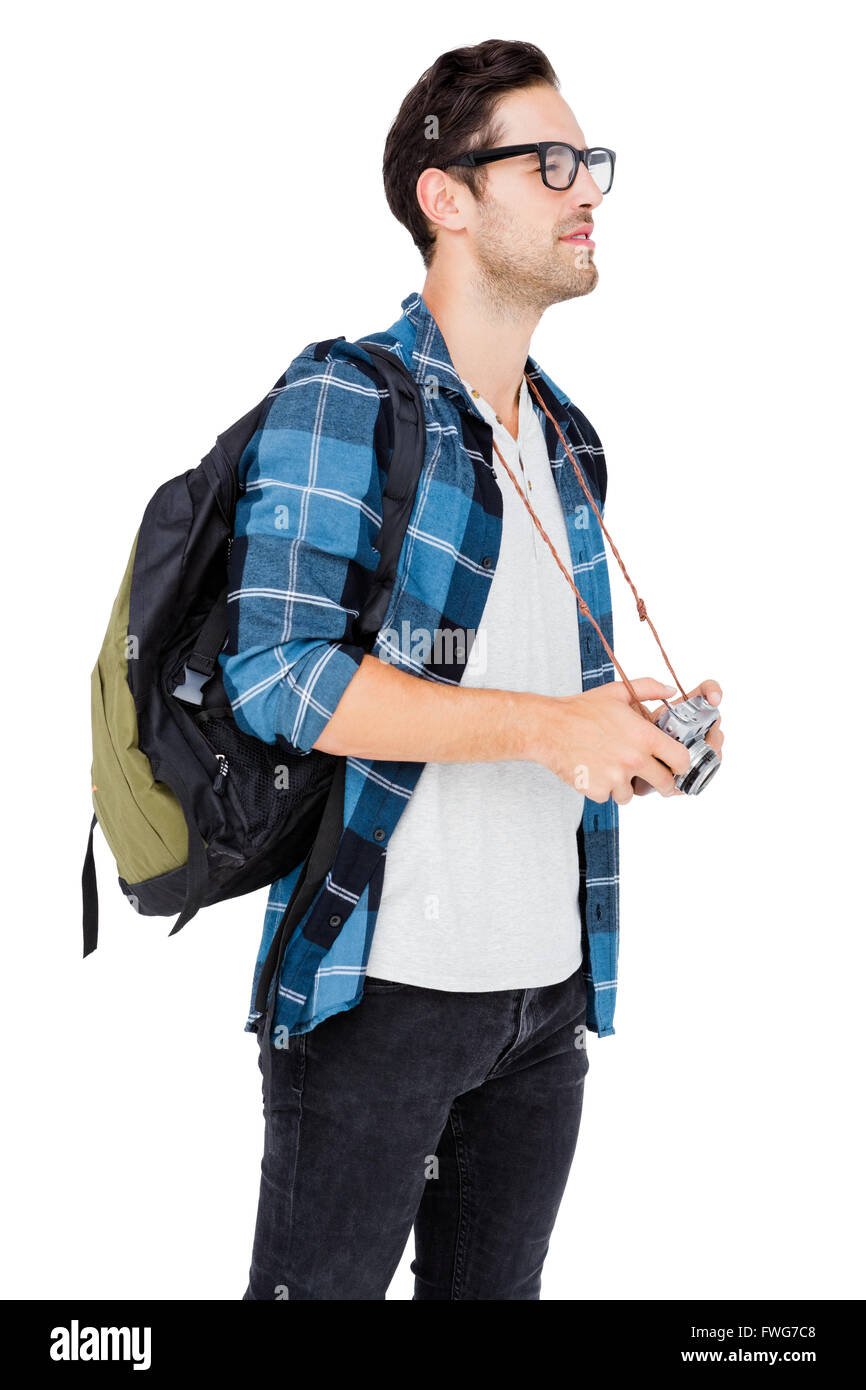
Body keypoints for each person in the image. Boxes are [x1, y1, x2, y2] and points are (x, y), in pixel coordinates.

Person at [221, 37, 724, 1301]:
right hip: (378, 999)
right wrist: (550, 728)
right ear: (445, 197)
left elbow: (528, 694)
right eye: (547, 161)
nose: (585, 188)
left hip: (542, 1004)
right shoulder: (346, 399)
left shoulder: (566, 439)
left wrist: (625, 730)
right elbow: (277, 675)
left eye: (589, 161)